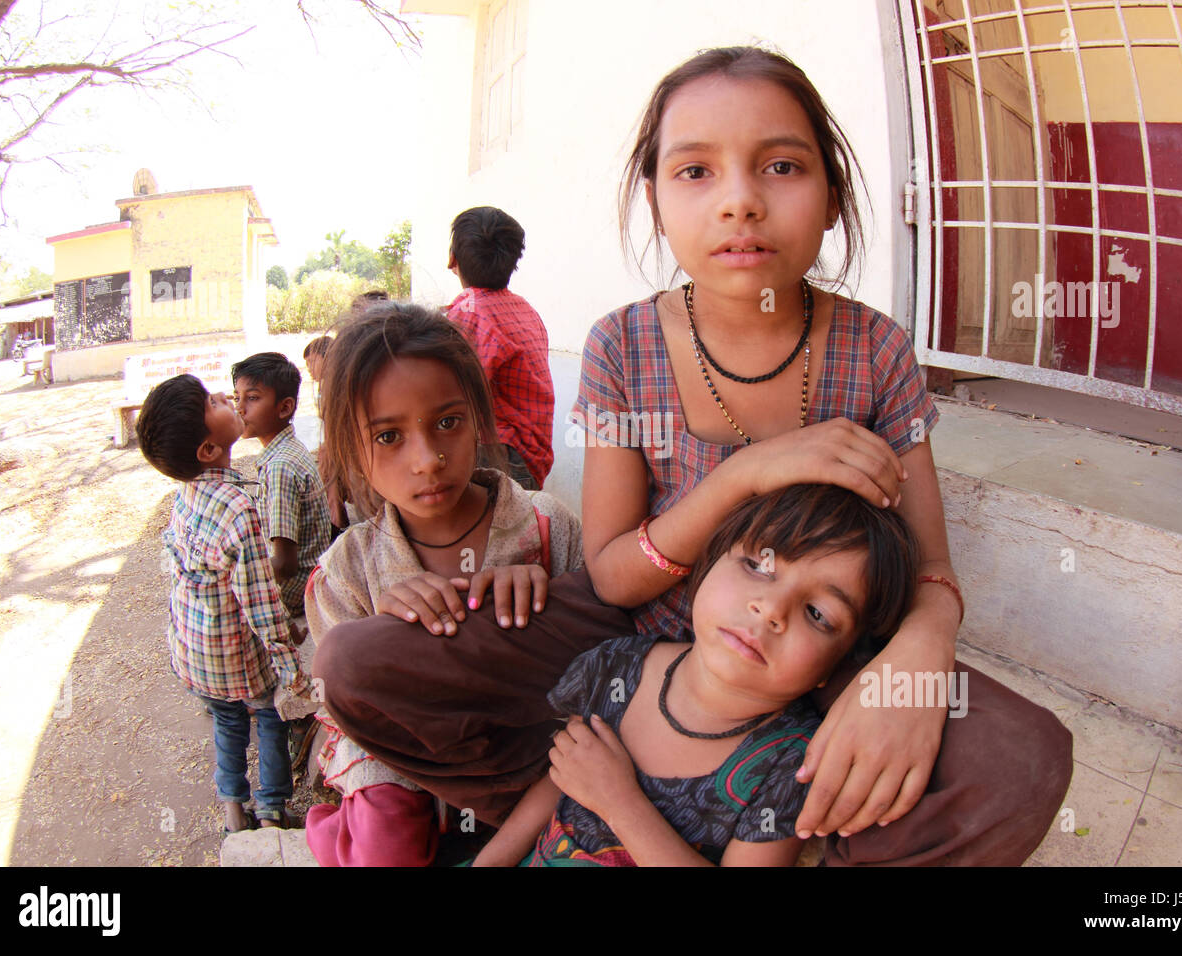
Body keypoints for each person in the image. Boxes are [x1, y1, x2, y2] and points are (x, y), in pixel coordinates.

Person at [315, 46, 1071, 865]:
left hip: (806, 655)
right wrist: (746, 475)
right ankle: (608, 796)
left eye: (781, 166)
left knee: (1021, 761)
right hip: (632, 638)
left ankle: (750, 813)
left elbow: (929, 567)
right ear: (656, 198)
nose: (741, 202)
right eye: (696, 172)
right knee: (362, 660)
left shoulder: (877, 350)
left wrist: (917, 662)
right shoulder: (621, 345)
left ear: (830, 198)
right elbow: (608, 575)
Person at [473, 484, 918, 866]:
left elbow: (596, 788)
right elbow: (564, 777)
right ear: (707, 563)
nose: (771, 609)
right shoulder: (616, 667)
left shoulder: (792, 763)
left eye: (818, 614)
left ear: (837, 667)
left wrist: (619, 803)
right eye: (758, 565)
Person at [304, 302, 585, 866]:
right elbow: (348, 711)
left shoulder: (546, 530)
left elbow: (604, 670)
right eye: (388, 436)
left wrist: (547, 605)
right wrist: (387, 640)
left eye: (447, 423)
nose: (428, 459)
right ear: (347, 444)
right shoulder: (348, 572)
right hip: (413, 801)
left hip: (544, 779)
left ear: (479, 419)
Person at [135, 374, 314, 832]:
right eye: (216, 401)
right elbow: (259, 601)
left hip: (195, 652)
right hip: (236, 655)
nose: (227, 398)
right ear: (209, 450)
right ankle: (272, 809)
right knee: (269, 717)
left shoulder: (185, 494)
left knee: (227, 723)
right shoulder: (237, 508)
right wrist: (290, 665)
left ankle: (234, 807)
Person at [446, 206, 554, 490]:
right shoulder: (524, 308)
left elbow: (452, 391)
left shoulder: (470, 311)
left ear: (452, 259)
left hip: (499, 452)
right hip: (530, 454)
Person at [231, 351, 332, 618]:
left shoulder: (280, 467)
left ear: (284, 407)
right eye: (236, 397)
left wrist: (240, 581)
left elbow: (284, 565)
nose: (240, 408)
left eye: (252, 398)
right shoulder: (287, 449)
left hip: (295, 588)